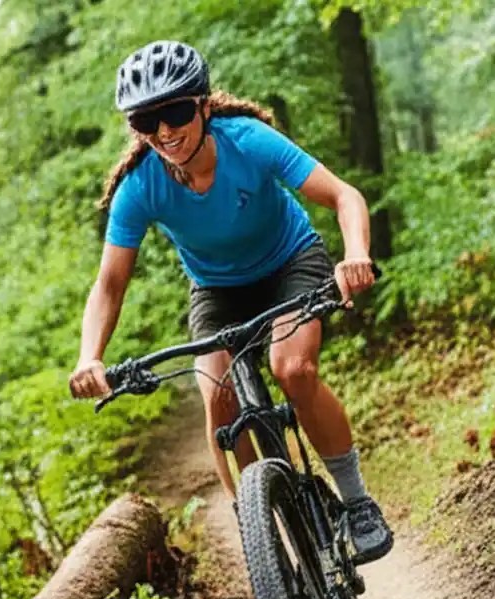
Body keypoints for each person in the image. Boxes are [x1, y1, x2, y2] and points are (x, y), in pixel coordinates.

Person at [68, 40, 392, 564]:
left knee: (293, 368)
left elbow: (344, 196)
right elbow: (109, 285)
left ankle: (356, 502)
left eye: (175, 111)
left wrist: (355, 254)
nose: (165, 132)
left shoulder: (248, 140)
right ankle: (258, 523)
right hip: (216, 289)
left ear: (202, 104)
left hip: (289, 261)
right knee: (215, 393)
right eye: (147, 122)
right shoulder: (139, 186)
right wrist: (89, 356)